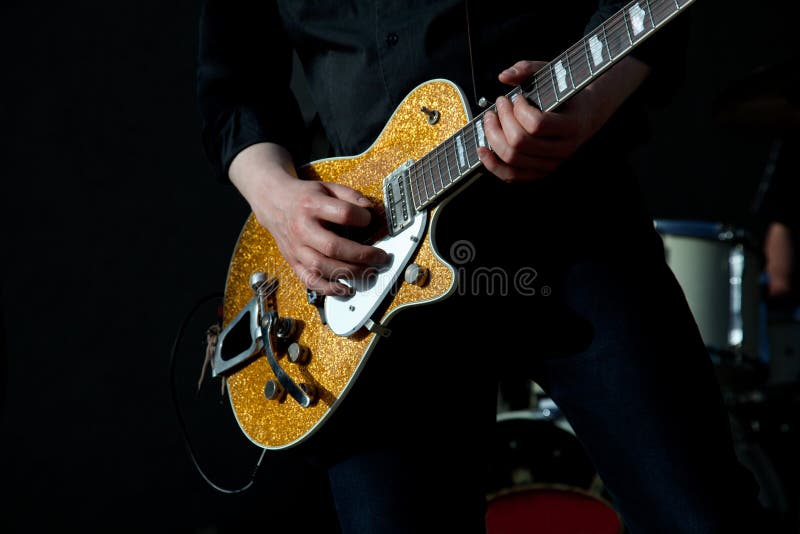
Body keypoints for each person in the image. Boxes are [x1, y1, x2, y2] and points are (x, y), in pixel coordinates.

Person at [196, 1, 766, 532]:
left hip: (574, 226)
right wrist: (281, 203)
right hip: (371, 274)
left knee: (700, 512)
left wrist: (588, 106)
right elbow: (233, 84)